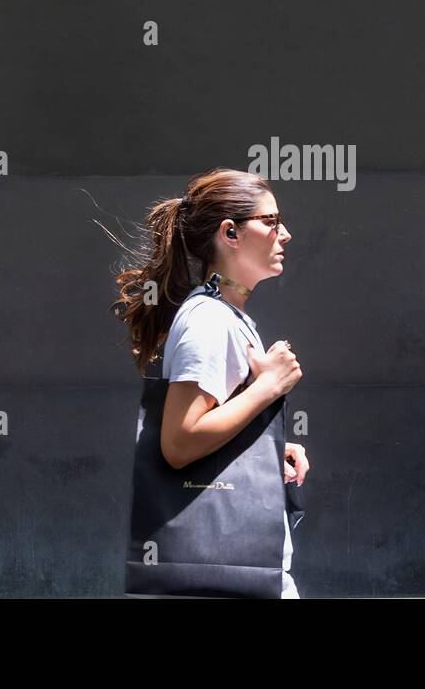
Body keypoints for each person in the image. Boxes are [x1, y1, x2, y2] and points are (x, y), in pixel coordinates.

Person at [113, 168, 310, 598]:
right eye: (272, 221)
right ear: (230, 233)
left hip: (246, 571)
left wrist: (267, 444)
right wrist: (268, 387)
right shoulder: (208, 319)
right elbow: (180, 442)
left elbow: (214, 422)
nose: (286, 234)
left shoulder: (227, 315)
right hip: (228, 577)